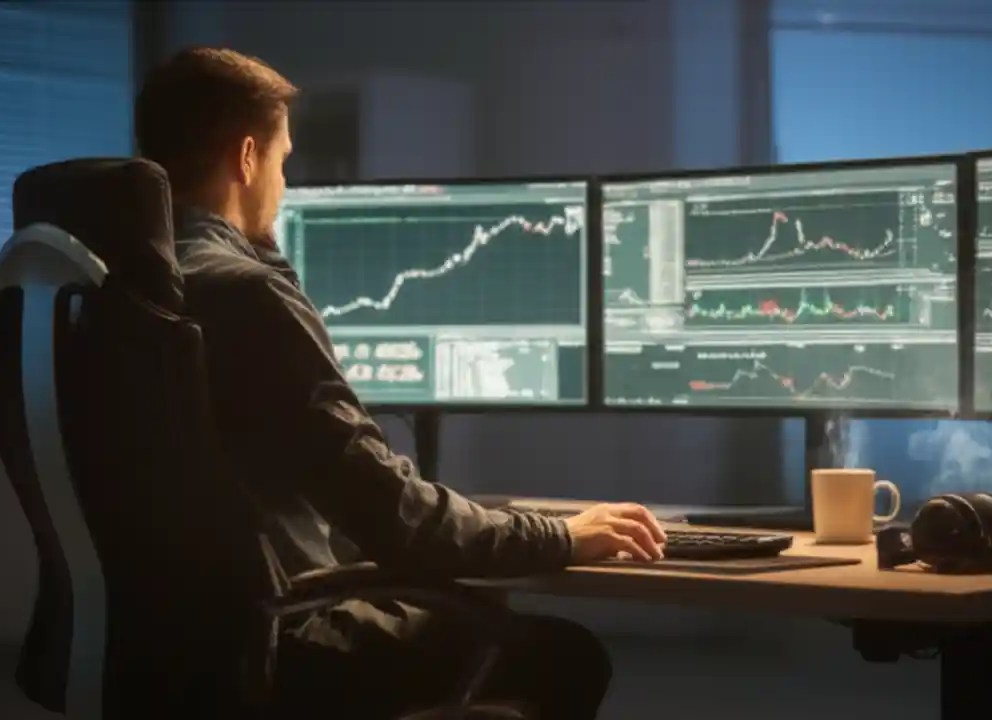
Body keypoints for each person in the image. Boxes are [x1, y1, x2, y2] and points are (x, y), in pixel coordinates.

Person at [134, 46, 666, 720]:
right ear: (246, 157)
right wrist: (559, 534)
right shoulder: (246, 293)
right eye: (283, 160)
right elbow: (393, 515)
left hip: (154, 648)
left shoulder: (109, 295)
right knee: (565, 655)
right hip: (275, 646)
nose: (282, 184)